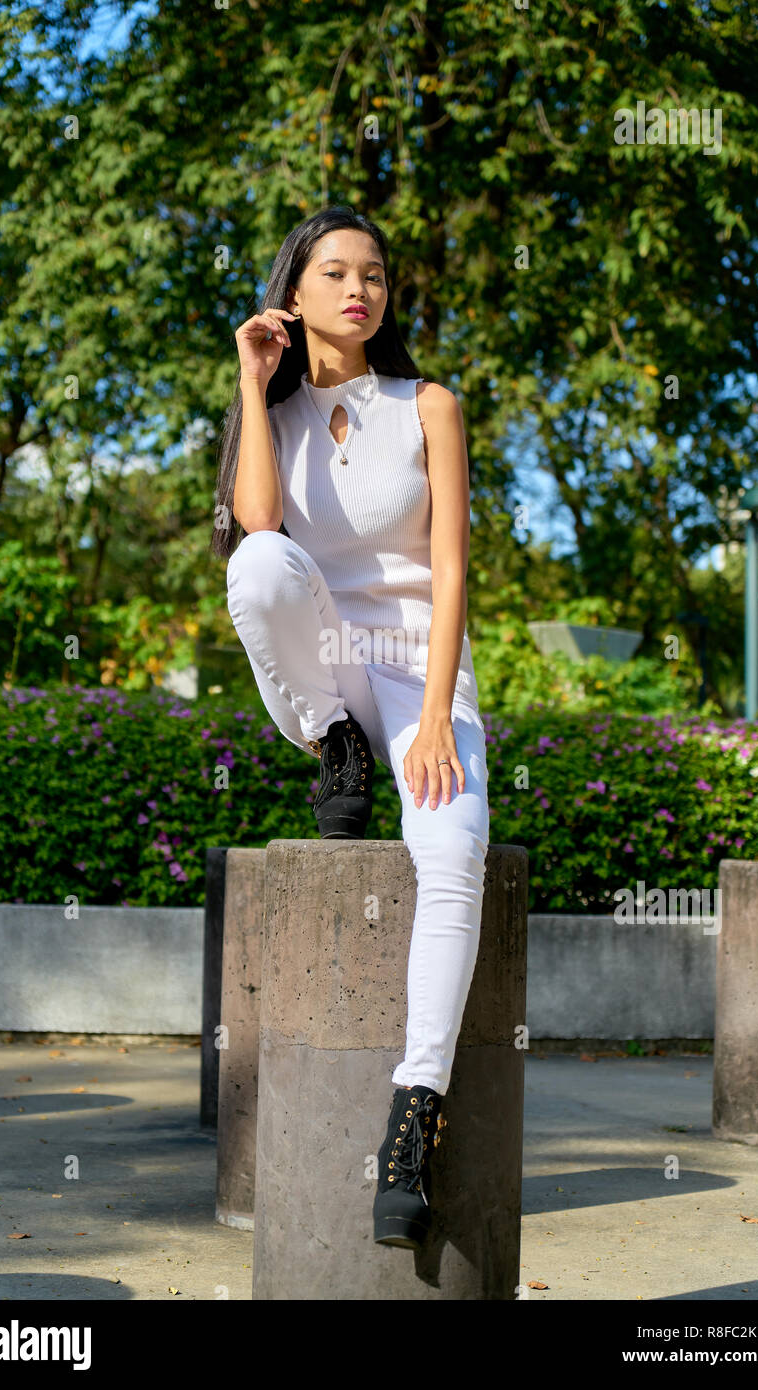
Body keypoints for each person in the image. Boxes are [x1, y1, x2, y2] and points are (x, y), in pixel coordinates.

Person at [211, 205, 490, 1251]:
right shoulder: (274, 415)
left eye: (374, 273)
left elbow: (455, 569)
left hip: (424, 678)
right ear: (297, 288)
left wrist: (433, 719)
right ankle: (334, 745)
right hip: (334, 674)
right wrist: (250, 382)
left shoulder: (429, 404)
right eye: (335, 272)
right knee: (258, 563)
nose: (359, 289)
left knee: (452, 853)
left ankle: (416, 1110)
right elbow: (257, 535)